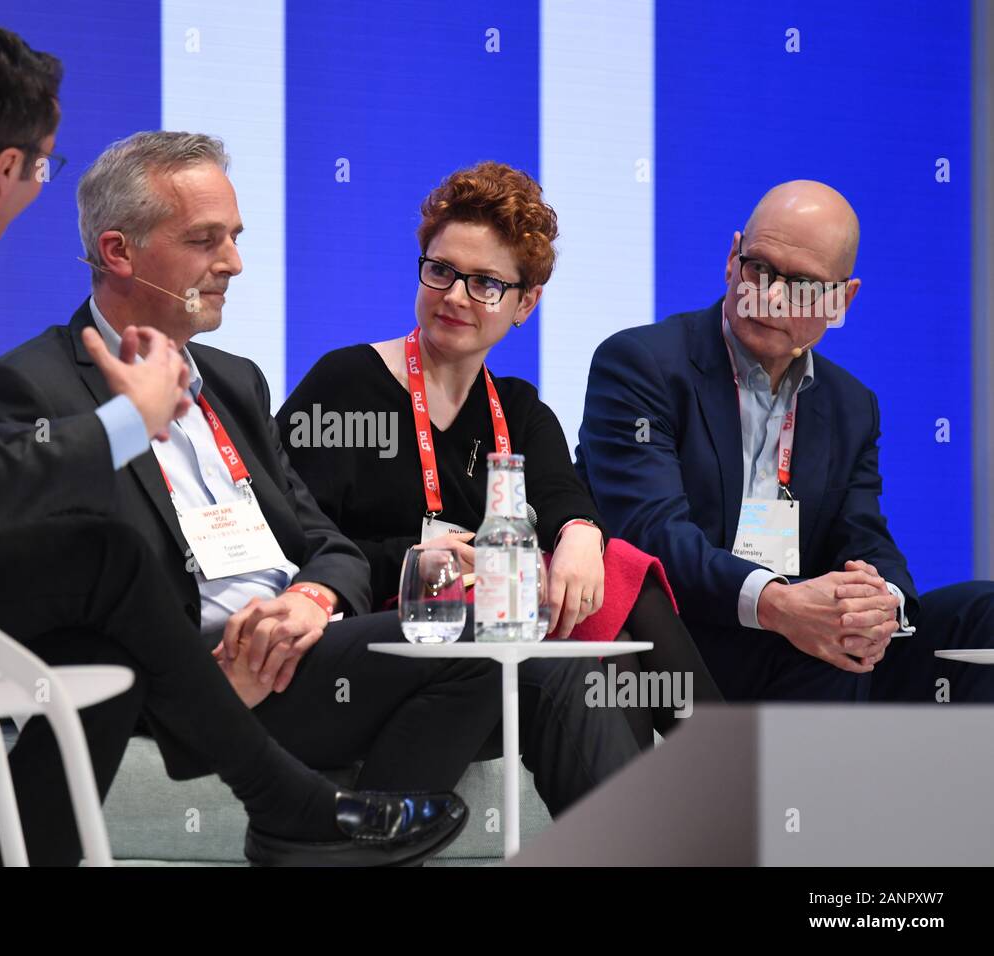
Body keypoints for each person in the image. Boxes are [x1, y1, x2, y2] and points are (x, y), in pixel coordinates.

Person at [0, 23, 468, 867]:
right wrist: (128, 421)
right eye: (43, 164)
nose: (38, 185)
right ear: (5, 169)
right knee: (106, 560)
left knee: (99, 639)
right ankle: (288, 804)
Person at [0, 133, 637, 815]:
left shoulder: (234, 384)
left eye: (234, 238)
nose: (234, 263)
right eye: (207, 240)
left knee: (565, 674)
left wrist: (312, 599)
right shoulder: (34, 390)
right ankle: (343, 840)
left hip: (307, 654)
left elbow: (327, 545)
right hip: (198, 683)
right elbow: (58, 590)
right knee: (471, 634)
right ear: (119, 252)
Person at [277, 161, 722, 751]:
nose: (455, 297)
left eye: (485, 283)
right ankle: (733, 785)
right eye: (441, 271)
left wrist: (582, 534)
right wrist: (413, 559)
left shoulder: (517, 408)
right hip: (390, 641)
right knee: (604, 627)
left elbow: (563, 494)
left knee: (613, 606)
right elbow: (288, 543)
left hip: (495, 643)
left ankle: (697, 796)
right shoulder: (344, 385)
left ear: (525, 304)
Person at [575, 179, 994, 703]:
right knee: (832, 644)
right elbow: (652, 535)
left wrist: (881, 600)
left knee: (979, 614)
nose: (770, 296)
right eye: (760, 269)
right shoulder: (643, 365)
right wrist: (778, 604)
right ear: (733, 258)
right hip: (685, 642)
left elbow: (863, 536)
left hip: (801, 641)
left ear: (843, 299)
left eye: (803, 285)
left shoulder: (850, 404)